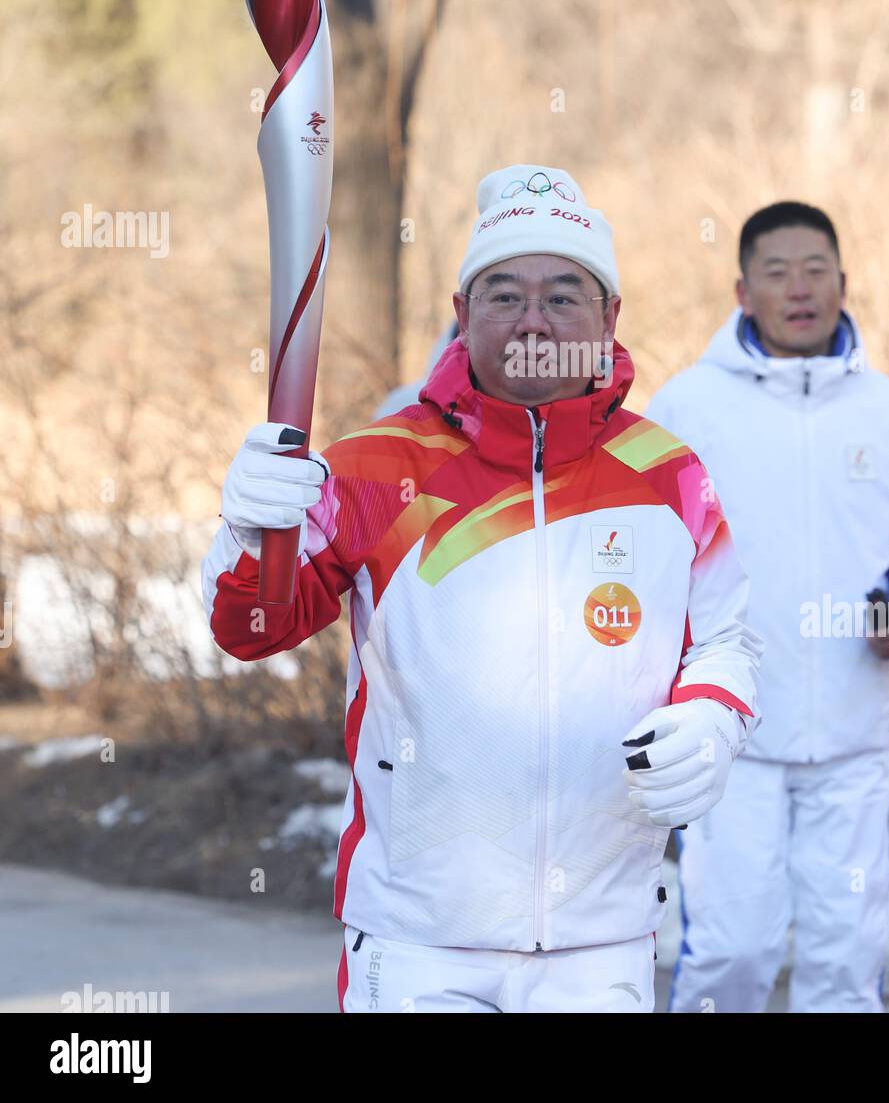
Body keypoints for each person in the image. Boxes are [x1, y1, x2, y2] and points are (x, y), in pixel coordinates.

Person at [202, 164, 763, 1014]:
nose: (533, 319)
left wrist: (714, 720)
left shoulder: (670, 475)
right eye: (503, 294)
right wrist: (250, 535)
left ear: (609, 317)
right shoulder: (372, 468)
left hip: (600, 937)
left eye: (564, 295)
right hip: (420, 935)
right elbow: (251, 628)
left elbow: (723, 641)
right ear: (461, 316)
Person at [646, 200, 889, 1013]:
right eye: (776, 272)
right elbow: (644, 551)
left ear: (843, 283)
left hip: (853, 743)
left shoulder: (887, 411)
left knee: (844, 967)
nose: (798, 289)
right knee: (731, 957)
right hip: (732, 739)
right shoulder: (687, 409)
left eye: (815, 270)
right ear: (741, 289)